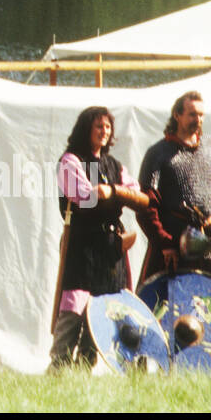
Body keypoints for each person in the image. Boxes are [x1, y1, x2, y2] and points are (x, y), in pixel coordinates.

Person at [50, 106, 149, 369]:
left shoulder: (114, 165)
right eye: (98, 126)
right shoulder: (70, 161)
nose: (104, 132)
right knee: (73, 307)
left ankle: (85, 366)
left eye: (107, 127)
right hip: (81, 242)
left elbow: (139, 195)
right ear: (86, 129)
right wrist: (109, 195)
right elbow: (84, 198)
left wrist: (112, 190)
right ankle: (59, 365)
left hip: (109, 246)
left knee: (103, 310)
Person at [137, 91, 211, 283]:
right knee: (161, 304)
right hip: (171, 242)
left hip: (207, 239)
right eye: (192, 114)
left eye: (201, 115)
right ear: (177, 115)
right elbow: (146, 206)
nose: (198, 119)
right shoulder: (158, 153)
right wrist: (164, 242)